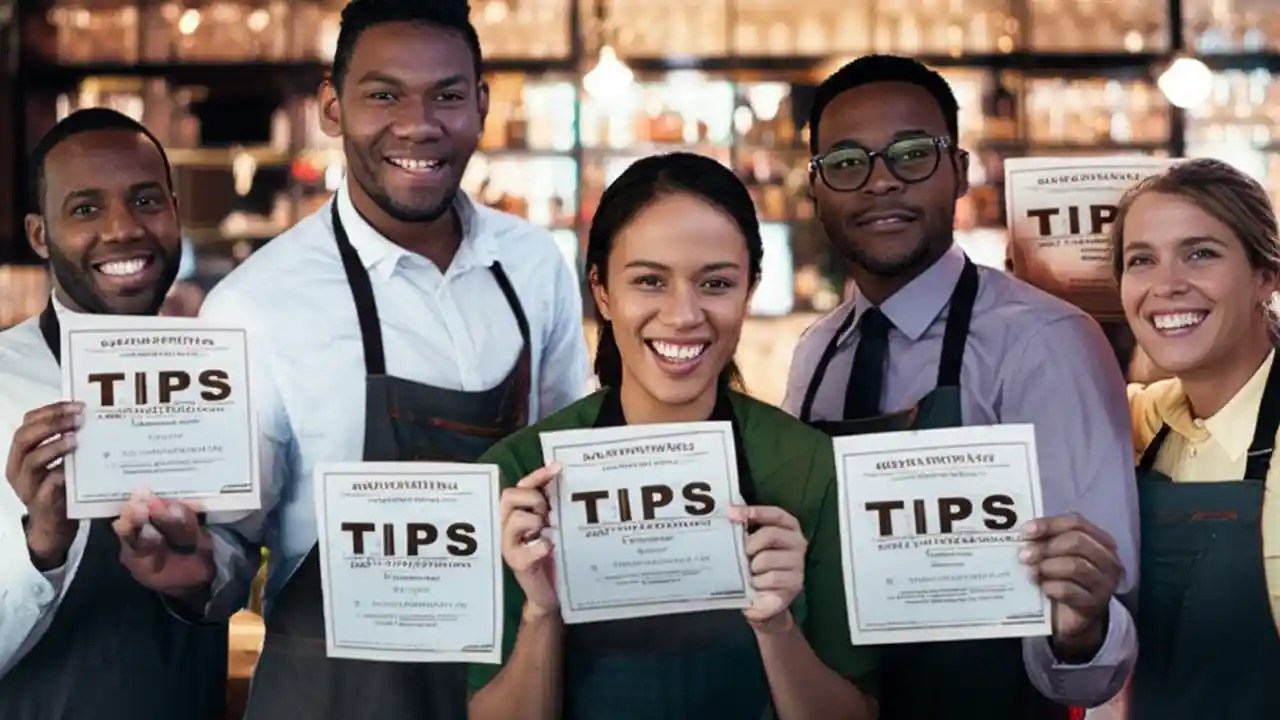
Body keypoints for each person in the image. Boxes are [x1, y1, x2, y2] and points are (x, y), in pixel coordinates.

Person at [111, 2, 590, 718]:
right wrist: (192, 570)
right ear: (332, 108)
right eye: (384, 95)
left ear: (482, 105)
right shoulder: (256, 304)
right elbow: (230, 543)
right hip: (332, 697)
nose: (418, 124)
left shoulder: (533, 265)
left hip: (507, 687)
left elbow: (566, 474)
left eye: (447, 95)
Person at [784, 54, 1138, 718]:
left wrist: (1080, 627)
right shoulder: (816, 353)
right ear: (816, 188)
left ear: (960, 171)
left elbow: (1098, 648)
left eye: (912, 154)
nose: (881, 181)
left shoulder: (1046, 342)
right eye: (847, 162)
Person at [467, 152, 879, 720]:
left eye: (715, 283)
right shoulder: (519, 476)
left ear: (749, 291)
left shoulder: (809, 467)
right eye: (649, 281)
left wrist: (777, 625)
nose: (683, 314)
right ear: (602, 291)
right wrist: (542, 612)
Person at [0, 108, 226, 718]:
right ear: (39, 234)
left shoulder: (223, 378)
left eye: (145, 201)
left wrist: (201, 582)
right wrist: (42, 547)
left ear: (175, 212)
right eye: (85, 209)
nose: (123, 228)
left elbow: (245, 580)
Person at [1116, 158, 1280, 717]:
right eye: (1142, 260)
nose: (1166, 285)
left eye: (1200, 253)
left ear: (1265, 276)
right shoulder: (1145, 419)